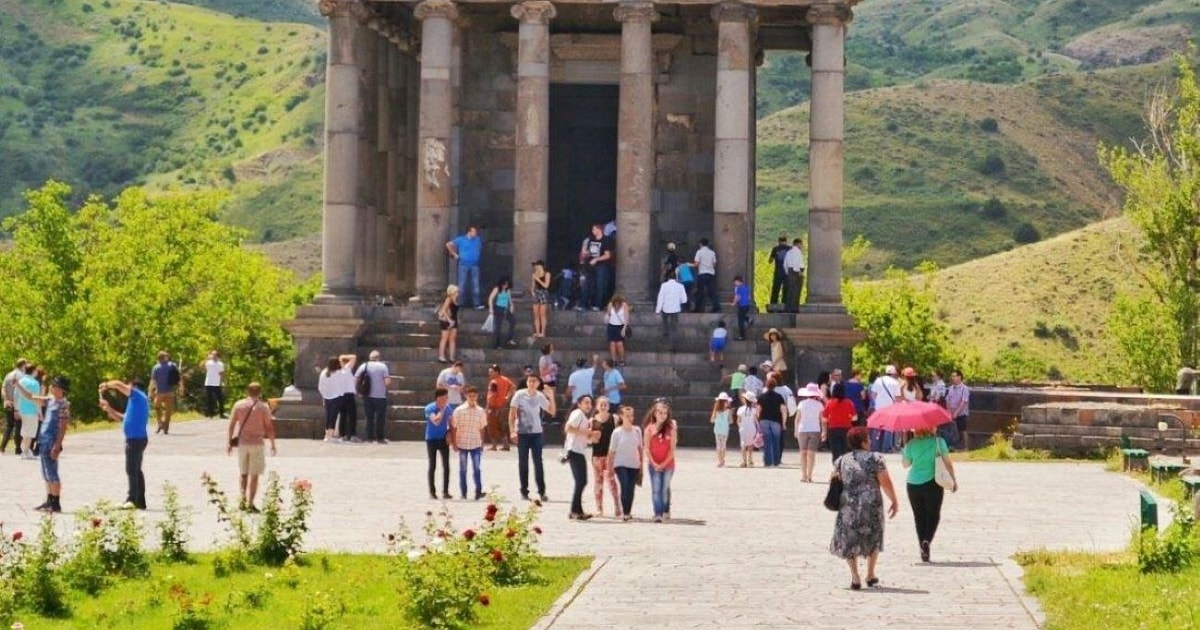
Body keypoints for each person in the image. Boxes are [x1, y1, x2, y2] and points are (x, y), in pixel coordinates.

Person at [829, 426, 899, 590]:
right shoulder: (876, 458)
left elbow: (833, 479)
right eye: (868, 439)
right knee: (873, 536)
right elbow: (885, 482)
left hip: (848, 505)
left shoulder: (841, 460)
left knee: (849, 538)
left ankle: (855, 576)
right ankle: (870, 573)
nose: (870, 441)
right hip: (871, 503)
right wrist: (894, 500)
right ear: (863, 442)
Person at [902, 428, 958, 563]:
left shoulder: (911, 444)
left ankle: (922, 545)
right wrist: (953, 479)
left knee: (919, 516)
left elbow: (906, 464)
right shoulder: (939, 442)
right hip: (933, 482)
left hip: (913, 484)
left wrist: (905, 447)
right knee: (933, 514)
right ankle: (927, 540)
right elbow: (947, 462)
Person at [99, 378, 151, 510]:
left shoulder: (138, 396)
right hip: (135, 438)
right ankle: (140, 501)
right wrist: (108, 408)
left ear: (134, 387)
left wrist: (105, 385)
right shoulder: (134, 402)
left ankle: (131, 499)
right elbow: (122, 418)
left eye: (129, 387)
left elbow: (117, 384)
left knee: (131, 469)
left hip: (135, 439)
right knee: (136, 470)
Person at [225, 382, 277, 512]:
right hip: (257, 444)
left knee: (243, 473)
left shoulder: (239, 405)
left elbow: (231, 424)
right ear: (260, 392)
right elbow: (269, 427)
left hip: (243, 443)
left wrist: (229, 442)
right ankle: (250, 503)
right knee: (254, 475)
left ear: (247, 392)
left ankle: (242, 499)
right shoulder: (263, 407)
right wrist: (272, 444)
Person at [510, 374, 556, 501]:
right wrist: (512, 430)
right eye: (529, 381)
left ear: (538, 384)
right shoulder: (519, 395)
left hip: (536, 433)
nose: (531, 383)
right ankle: (524, 491)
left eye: (534, 381)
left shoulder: (540, 396)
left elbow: (552, 411)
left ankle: (542, 491)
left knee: (538, 463)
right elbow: (512, 413)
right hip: (522, 432)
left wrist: (551, 397)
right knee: (523, 463)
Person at [29, 376, 71, 513]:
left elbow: (63, 427)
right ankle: (49, 500)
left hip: (52, 442)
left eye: (53, 386)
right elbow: (31, 397)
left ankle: (56, 503)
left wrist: (57, 445)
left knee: (52, 473)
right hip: (44, 440)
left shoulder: (63, 404)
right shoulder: (51, 400)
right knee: (46, 473)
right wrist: (18, 385)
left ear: (60, 389)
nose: (51, 387)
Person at [450, 386, 488, 500]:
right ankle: (464, 492)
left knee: (477, 468)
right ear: (466, 396)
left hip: (475, 443)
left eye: (474, 396)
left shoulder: (481, 411)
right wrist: (454, 442)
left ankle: (478, 491)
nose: (472, 398)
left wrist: (482, 443)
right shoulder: (459, 410)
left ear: (477, 397)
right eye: (470, 396)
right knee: (463, 469)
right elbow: (454, 427)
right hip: (462, 443)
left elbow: (482, 428)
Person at [564, 395, 598, 520]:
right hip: (574, 451)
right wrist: (587, 433)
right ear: (579, 404)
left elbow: (580, 436)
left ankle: (577, 510)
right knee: (581, 481)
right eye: (586, 402)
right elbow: (568, 428)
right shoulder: (578, 413)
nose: (589, 405)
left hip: (578, 450)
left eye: (590, 403)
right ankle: (574, 510)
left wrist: (591, 437)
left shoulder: (583, 417)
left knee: (581, 481)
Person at [644, 399, 678, 523]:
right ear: (654, 413)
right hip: (654, 464)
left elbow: (672, 449)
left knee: (665, 488)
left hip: (668, 464)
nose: (662, 415)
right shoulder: (649, 428)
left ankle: (666, 509)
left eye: (665, 413)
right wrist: (654, 464)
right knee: (656, 488)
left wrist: (663, 464)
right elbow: (647, 448)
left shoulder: (671, 428)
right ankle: (657, 513)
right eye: (660, 412)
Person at [609, 405, 642, 522]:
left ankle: (628, 511)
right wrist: (609, 468)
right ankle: (625, 513)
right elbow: (612, 451)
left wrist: (641, 466)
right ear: (621, 416)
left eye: (631, 415)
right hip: (620, 464)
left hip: (634, 464)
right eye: (626, 415)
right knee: (625, 484)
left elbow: (640, 449)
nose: (629, 417)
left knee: (631, 488)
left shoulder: (637, 431)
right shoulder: (616, 432)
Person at [356, 350, 394, 444]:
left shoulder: (364, 366)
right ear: (379, 357)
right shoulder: (383, 366)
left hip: (367, 395)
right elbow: (387, 382)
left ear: (370, 358)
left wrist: (359, 390)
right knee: (380, 418)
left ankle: (369, 438)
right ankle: (380, 438)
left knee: (369, 418)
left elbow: (356, 378)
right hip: (380, 396)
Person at [590, 396, 620, 517]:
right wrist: (592, 437)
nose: (603, 407)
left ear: (608, 406)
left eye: (605, 404)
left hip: (610, 455)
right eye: (601, 404)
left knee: (611, 481)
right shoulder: (592, 421)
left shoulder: (614, 418)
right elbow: (587, 438)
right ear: (597, 406)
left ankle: (617, 506)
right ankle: (599, 508)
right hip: (597, 454)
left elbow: (619, 434)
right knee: (598, 482)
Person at [424, 388, 453, 500]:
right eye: (444, 398)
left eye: (447, 398)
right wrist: (441, 410)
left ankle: (445, 491)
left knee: (446, 465)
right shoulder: (429, 408)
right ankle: (432, 491)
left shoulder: (448, 408)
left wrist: (450, 434)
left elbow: (451, 422)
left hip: (443, 439)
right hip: (431, 439)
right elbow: (436, 421)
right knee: (433, 465)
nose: (446, 400)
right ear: (438, 398)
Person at [445, 225, 483, 309]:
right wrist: (454, 254)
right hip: (463, 264)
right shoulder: (461, 239)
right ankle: (460, 303)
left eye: (476, 232)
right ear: (469, 232)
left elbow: (479, 248)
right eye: (474, 232)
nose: (475, 233)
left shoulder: (477, 240)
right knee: (462, 284)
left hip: (474, 264)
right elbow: (448, 244)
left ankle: (476, 304)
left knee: (475, 285)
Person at [795, 383, 824, 482]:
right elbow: (822, 420)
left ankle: (803, 475)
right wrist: (824, 431)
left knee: (803, 453)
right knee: (811, 454)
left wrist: (795, 430)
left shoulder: (801, 404)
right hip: (815, 430)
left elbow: (797, 419)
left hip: (802, 429)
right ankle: (810, 475)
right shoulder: (820, 405)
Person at [581, 223, 614, 310]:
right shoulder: (591, 240)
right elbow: (590, 253)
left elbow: (607, 255)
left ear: (599, 230)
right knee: (587, 285)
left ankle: (598, 305)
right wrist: (585, 254)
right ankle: (584, 305)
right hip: (590, 266)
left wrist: (596, 259)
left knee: (600, 285)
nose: (592, 231)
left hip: (601, 266)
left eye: (594, 229)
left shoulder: (606, 240)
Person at [823, 382, 858, 463]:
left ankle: (837, 469)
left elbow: (824, 418)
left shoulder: (830, 403)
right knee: (846, 451)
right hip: (846, 429)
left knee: (835, 452)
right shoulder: (849, 402)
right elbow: (855, 418)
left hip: (833, 429)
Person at [149, 351, 182, 435]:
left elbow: (152, 381)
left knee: (156, 407)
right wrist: (181, 388)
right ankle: (165, 427)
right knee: (168, 410)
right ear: (165, 357)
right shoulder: (173, 365)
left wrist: (150, 392)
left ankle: (160, 423)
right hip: (170, 391)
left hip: (160, 391)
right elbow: (179, 377)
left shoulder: (156, 367)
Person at [757, 376, 787, 468]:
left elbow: (758, 410)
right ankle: (776, 461)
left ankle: (767, 461)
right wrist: (784, 423)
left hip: (764, 420)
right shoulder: (779, 397)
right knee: (776, 441)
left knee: (767, 441)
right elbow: (783, 410)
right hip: (776, 421)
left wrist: (758, 421)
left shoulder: (761, 397)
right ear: (775, 386)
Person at [869, 365, 902, 452]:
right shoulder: (895, 383)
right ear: (894, 373)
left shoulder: (878, 380)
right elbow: (898, 397)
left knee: (877, 427)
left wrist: (878, 402)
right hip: (890, 409)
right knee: (888, 428)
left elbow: (873, 394)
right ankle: (886, 448)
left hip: (879, 408)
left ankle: (875, 447)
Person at [318, 357, 349, 442]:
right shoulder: (338, 373)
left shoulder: (324, 372)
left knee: (328, 416)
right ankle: (330, 436)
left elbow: (320, 387)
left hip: (327, 397)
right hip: (336, 397)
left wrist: (324, 396)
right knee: (333, 417)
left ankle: (326, 435)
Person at [485, 364, 516, 451]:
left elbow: (492, 396)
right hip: (501, 406)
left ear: (496, 372)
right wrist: (507, 397)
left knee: (492, 425)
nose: (489, 373)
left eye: (491, 372)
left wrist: (487, 408)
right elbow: (513, 387)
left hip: (493, 406)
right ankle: (505, 444)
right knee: (501, 425)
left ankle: (494, 445)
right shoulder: (505, 379)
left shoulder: (493, 382)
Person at [655, 271, 688, 349]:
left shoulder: (664, 285)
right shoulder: (680, 286)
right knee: (674, 328)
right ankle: (672, 345)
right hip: (676, 309)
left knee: (665, 324)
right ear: (675, 277)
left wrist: (658, 310)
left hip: (665, 309)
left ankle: (665, 336)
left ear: (668, 277)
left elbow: (660, 298)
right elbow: (684, 300)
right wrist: (678, 301)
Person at [15, 362, 40, 460]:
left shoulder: (20, 381)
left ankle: (25, 450)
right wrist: (39, 411)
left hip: (22, 409)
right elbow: (35, 398)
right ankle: (26, 451)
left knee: (25, 430)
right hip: (32, 410)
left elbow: (16, 396)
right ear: (33, 371)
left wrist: (16, 409)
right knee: (30, 432)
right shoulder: (34, 383)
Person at [1, 358, 26, 455]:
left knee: (9, 426)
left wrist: (6, 399)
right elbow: (20, 392)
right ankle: (18, 448)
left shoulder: (8, 375)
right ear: (23, 365)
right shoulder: (22, 376)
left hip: (8, 403)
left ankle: (2, 447)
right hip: (17, 403)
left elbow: (3, 389)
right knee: (18, 425)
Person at [487, 276, 518, 349]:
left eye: (507, 285)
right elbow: (490, 298)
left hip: (506, 308)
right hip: (498, 308)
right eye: (504, 284)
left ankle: (509, 339)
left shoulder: (508, 290)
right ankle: (496, 344)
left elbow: (509, 298)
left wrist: (511, 305)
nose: (505, 286)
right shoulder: (497, 289)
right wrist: (491, 308)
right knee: (497, 326)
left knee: (513, 322)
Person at [336, 354, 360, 442]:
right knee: (352, 415)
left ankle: (342, 435)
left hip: (340, 395)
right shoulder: (346, 369)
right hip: (348, 395)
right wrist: (342, 357)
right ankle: (352, 434)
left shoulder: (336, 372)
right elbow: (354, 357)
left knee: (343, 415)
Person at [692, 238, 719, 313]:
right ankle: (716, 307)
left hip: (702, 273)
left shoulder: (699, 252)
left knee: (700, 291)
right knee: (712, 291)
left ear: (700, 244)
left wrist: (690, 265)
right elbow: (714, 264)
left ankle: (698, 308)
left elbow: (696, 263)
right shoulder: (712, 253)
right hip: (711, 274)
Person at [945, 370, 970, 450]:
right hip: (951, 413)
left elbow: (964, 401)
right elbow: (947, 400)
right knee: (952, 430)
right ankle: (953, 446)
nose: (952, 378)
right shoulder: (950, 388)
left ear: (959, 377)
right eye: (952, 376)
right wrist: (949, 411)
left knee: (963, 430)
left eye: (954, 376)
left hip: (961, 413)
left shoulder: (964, 388)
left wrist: (956, 412)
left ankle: (966, 447)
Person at [436, 285, 460, 363]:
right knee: (444, 338)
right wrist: (449, 320)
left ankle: (452, 357)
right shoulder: (448, 299)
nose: (458, 293)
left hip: (454, 320)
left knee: (452, 339)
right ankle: (441, 356)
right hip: (447, 320)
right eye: (456, 291)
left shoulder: (456, 300)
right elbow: (443, 310)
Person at [605, 294, 631, 366]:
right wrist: (607, 317)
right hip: (611, 326)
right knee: (612, 344)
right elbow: (608, 314)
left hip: (620, 327)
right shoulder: (610, 305)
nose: (617, 305)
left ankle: (622, 360)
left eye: (618, 303)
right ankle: (614, 360)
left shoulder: (624, 306)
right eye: (615, 303)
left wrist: (624, 328)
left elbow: (626, 318)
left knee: (619, 344)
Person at [736, 391, 759, 467]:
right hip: (752, 428)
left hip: (743, 427)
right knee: (750, 445)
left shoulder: (740, 409)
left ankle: (744, 461)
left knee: (743, 445)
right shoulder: (754, 410)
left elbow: (738, 420)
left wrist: (740, 427)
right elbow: (755, 420)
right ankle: (750, 460)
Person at [201, 350, 227, 419]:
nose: (213, 356)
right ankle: (210, 414)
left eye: (215, 354)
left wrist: (222, 382)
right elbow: (201, 367)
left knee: (220, 399)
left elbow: (221, 373)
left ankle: (222, 414)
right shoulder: (208, 363)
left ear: (217, 356)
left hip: (217, 383)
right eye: (212, 354)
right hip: (209, 383)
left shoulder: (220, 364)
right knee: (209, 399)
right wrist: (206, 358)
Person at [783, 238, 805, 312]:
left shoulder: (789, 252)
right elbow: (799, 262)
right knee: (796, 291)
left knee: (790, 291)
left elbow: (785, 264)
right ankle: (794, 308)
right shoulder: (798, 252)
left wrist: (788, 272)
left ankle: (788, 308)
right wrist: (800, 271)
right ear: (798, 244)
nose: (801, 246)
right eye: (801, 244)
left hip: (790, 271)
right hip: (797, 272)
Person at [531, 260, 552, 338]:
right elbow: (533, 285)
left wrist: (538, 279)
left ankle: (542, 332)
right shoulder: (534, 274)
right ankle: (537, 331)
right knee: (536, 314)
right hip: (537, 293)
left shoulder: (547, 274)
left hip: (543, 292)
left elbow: (546, 285)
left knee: (542, 314)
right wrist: (532, 291)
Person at [710, 392, 732, 467]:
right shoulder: (728, 411)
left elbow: (712, 420)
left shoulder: (716, 410)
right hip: (725, 429)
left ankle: (720, 461)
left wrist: (717, 420)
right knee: (723, 445)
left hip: (717, 429)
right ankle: (723, 460)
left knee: (718, 445)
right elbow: (730, 421)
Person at [768, 235, 790, 306]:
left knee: (776, 287)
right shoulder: (789, 249)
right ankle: (785, 303)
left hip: (778, 271)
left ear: (779, 241)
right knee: (786, 288)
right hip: (787, 271)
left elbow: (770, 260)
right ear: (786, 241)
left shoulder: (775, 249)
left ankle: (773, 303)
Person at [731, 276, 753, 340]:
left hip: (742, 306)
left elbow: (737, 297)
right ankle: (748, 319)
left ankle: (742, 336)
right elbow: (749, 297)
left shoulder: (738, 288)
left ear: (738, 281)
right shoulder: (746, 287)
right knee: (742, 316)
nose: (735, 284)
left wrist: (734, 303)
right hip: (747, 306)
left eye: (735, 282)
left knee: (740, 322)